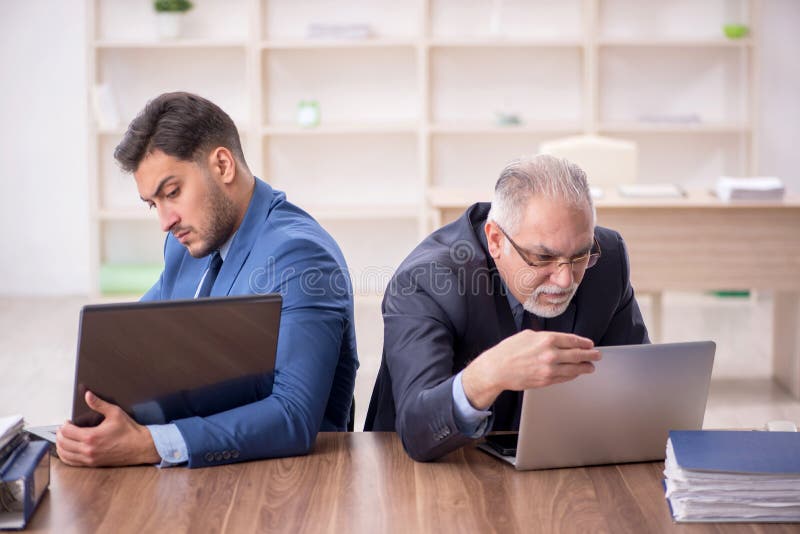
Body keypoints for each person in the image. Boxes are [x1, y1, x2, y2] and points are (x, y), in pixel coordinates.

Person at [56, 92, 358, 468]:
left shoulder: (301, 256)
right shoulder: (186, 245)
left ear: (222, 165)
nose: (165, 221)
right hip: (199, 470)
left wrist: (151, 444)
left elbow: (293, 416)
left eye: (172, 192)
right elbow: (126, 346)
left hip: (286, 479)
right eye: (154, 204)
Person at [364, 154, 649, 461]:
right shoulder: (425, 281)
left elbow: (640, 384)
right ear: (496, 239)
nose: (566, 279)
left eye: (580, 256)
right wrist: (489, 374)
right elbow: (417, 429)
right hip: (430, 470)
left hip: (556, 461)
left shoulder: (607, 259)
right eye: (543, 258)